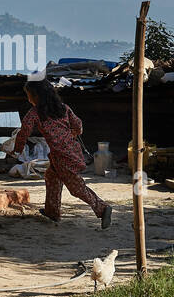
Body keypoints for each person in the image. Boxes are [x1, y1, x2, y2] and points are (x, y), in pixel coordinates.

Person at [11, 76, 112, 229]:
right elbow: (78, 126)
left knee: (76, 188)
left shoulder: (34, 113)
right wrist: (70, 134)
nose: (28, 98)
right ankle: (52, 212)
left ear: (36, 96)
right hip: (70, 151)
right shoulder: (63, 108)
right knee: (52, 177)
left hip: (62, 156)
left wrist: (17, 150)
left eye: (29, 95)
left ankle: (103, 208)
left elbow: (24, 131)